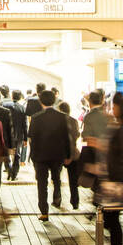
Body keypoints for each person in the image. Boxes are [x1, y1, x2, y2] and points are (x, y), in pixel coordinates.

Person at [98, 93, 123, 245]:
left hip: (118, 182)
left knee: (112, 221)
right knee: (112, 221)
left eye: (112, 106)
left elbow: (121, 158)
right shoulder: (120, 127)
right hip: (116, 181)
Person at [26, 89, 72, 221]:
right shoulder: (62, 116)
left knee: (42, 183)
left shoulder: (36, 118)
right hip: (57, 154)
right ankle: (57, 198)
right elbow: (66, 137)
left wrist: (32, 156)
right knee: (56, 178)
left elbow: (32, 138)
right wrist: (68, 155)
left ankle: (44, 211)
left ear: (41, 101)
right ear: (54, 100)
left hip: (40, 156)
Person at [57, 101, 82, 211]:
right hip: (73, 153)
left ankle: (57, 199)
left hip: (59, 154)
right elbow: (76, 135)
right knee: (73, 180)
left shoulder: (56, 122)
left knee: (56, 178)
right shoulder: (74, 121)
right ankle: (75, 202)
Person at [7, 89, 27, 179]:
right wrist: (25, 138)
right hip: (18, 134)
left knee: (6, 153)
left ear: (12, 96)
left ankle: (9, 170)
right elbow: (24, 124)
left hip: (7, 134)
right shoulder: (22, 108)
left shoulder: (6, 106)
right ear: (20, 97)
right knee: (17, 154)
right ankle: (14, 173)